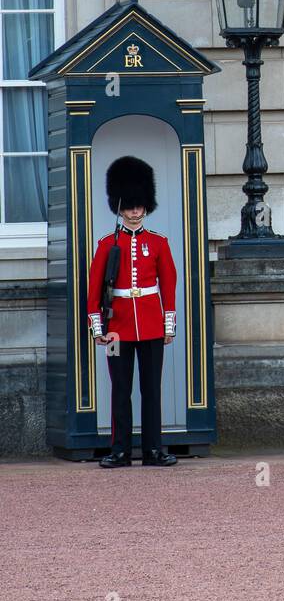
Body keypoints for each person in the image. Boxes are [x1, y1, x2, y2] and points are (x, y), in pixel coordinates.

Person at [87, 156, 178, 469]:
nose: (135, 211)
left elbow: (169, 286)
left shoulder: (159, 243)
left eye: (139, 205)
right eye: (129, 206)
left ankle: (154, 450)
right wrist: (98, 328)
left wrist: (169, 325)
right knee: (120, 391)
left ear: (146, 205)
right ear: (120, 207)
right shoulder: (106, 245)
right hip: (116, 329)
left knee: (151, 391)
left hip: (152, 326)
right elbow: (94, 290)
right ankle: (121, 450)